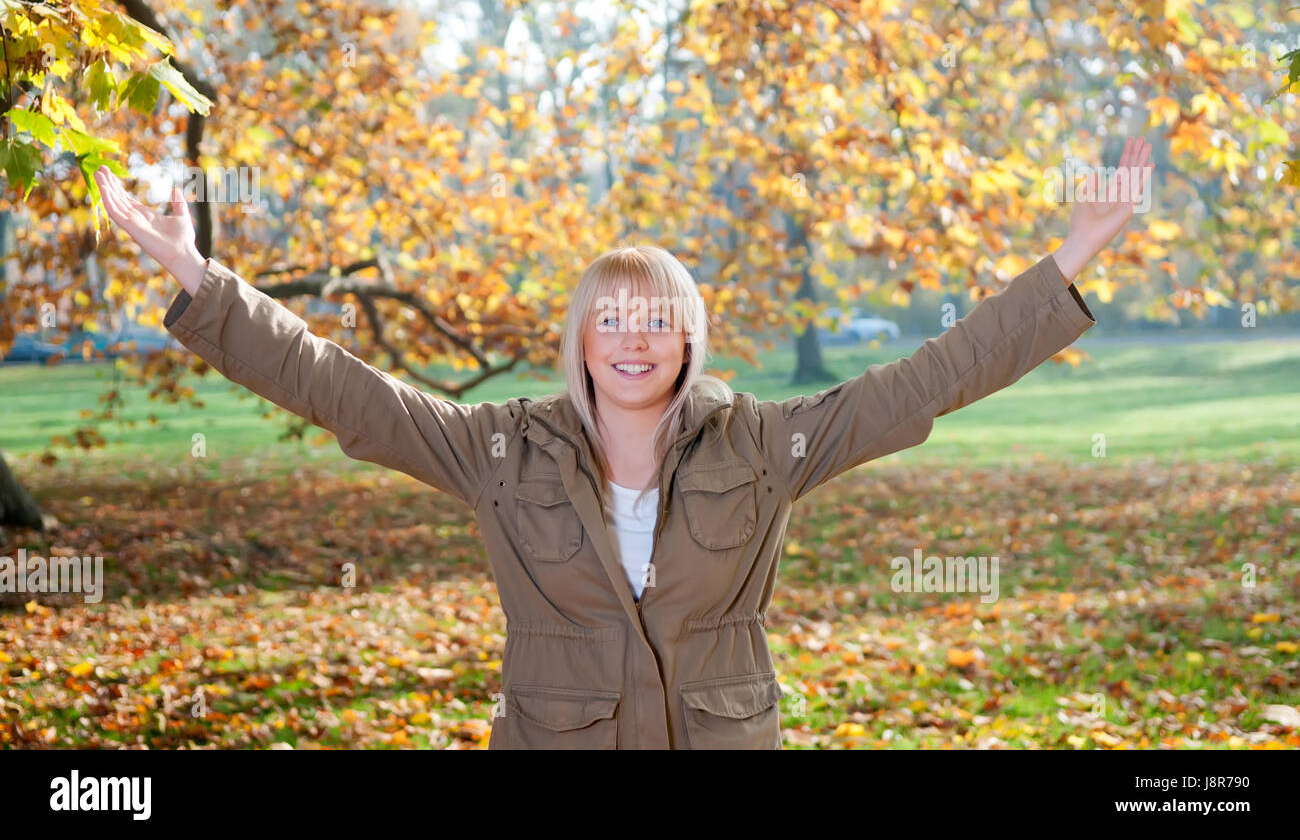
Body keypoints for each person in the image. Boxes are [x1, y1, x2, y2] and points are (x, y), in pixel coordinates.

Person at [90, 137, 1149, 749]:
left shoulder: (767, 440)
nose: (633, 340)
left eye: (656, 319)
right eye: (611, 318)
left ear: (687, 334)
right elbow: (339, 388)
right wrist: (200, 279)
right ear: (580, 338)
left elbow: (932, 376)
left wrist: (1069, 257)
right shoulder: (496, 447)